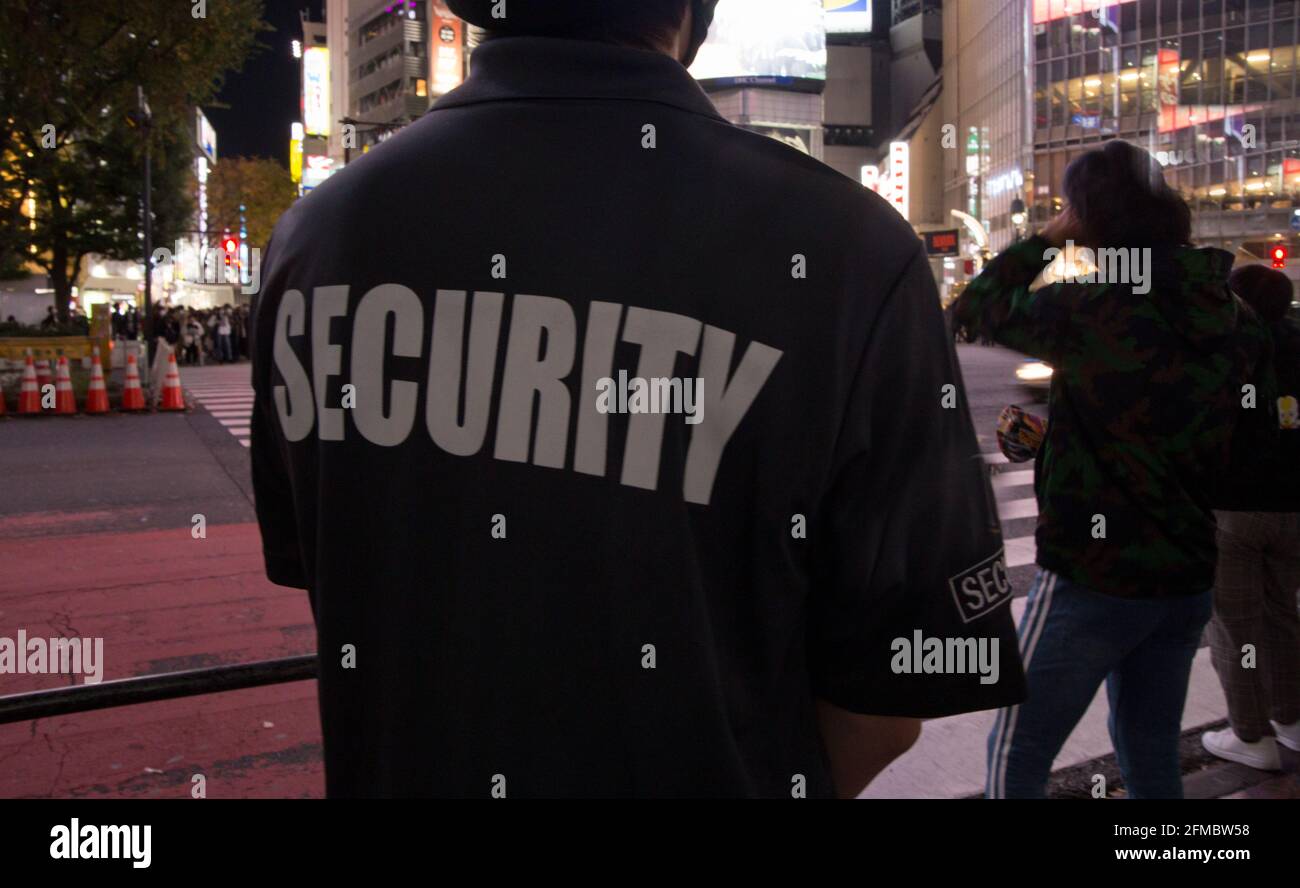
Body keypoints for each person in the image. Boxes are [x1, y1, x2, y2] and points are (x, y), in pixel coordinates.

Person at [251, 0, 1025, 798]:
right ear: (695, 10)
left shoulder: (314, 240)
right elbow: (888, 706)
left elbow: (329, 573)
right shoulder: (850, 250)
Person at [953, 139, 1269, 799]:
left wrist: (1049, 240)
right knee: (1150, 747)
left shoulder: (1092, 303)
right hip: (1186, 572)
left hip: (1094, 573)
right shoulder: (1229, 310)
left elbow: (974, 309)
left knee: (1020, 747)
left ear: (1089, 217)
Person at [1201, 263, 1300, 770]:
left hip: (1233, 506)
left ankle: (1251, 734)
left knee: (1236, 626)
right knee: (1284, 614)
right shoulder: (1296, 343)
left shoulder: (1230, 348)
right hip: (1292, 507)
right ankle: (1292, 718)